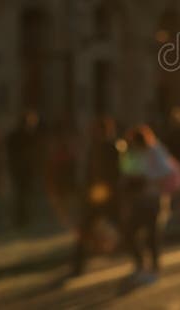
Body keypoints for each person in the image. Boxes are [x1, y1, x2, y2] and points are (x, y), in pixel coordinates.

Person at [119, 124, 177, 283]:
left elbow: (167, 173)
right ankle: (139, 264)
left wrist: (148, 180)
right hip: (138, 199)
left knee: (152, 234)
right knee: (130, 232)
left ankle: (154, 267)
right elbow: (125, 172)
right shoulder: (131, 154)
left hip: (154, 198)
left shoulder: (155, 151)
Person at [72, 117, 120, 276]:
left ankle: (134, 257)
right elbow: (88, 172)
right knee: (85, 228)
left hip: (109, 196)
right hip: (94, 196)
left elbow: (118, 172)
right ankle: (78, 264)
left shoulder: (114, 148)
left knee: (119, 227)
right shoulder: (94, 147)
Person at [6, 110, 41, 228]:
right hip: (21, 171)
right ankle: (22, 219)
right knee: (22, 196)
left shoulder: (31, 136)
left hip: (26, 171)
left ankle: (24, 218)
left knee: (25, 196)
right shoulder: (22, 136)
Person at [44, 116, 78, 228]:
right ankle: (60, 221)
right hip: (60, 175)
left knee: (65, 201)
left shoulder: (67, 145)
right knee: (61, 201)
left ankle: (64, 221)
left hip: (65, 175)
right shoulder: (57, 146)